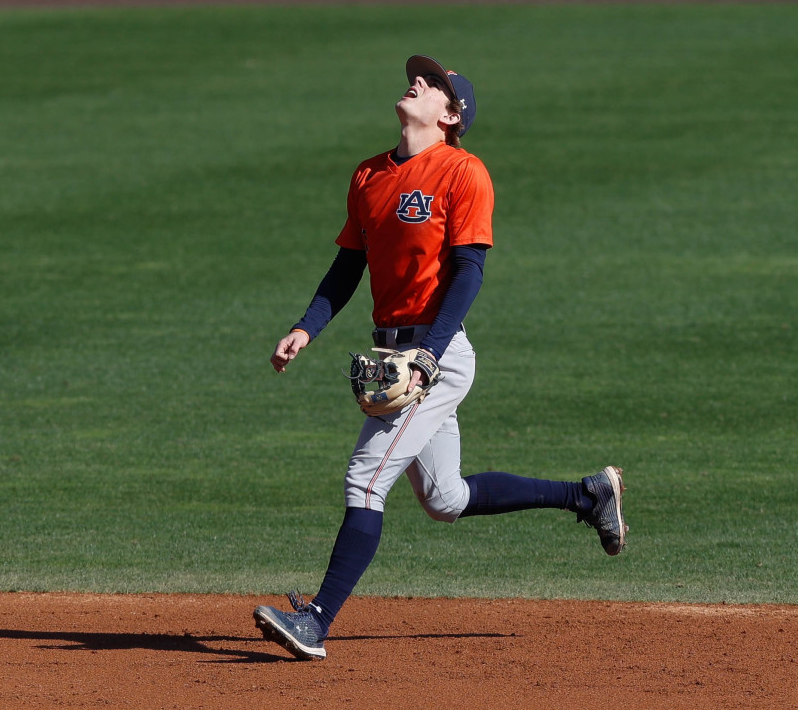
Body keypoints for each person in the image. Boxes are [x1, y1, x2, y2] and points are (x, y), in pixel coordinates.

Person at [252, 55, 627, 661]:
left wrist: (430, 351)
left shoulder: (463, 172)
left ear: (452, 115)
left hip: (437, 353)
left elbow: (470, 273)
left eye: (435, 84)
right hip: (392, 349)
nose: (418, 81)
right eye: (418, 76)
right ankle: (586, 496)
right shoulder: (369, 175)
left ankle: (317, 622)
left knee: (363, 479)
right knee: (444, 499)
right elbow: (349, 265)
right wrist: (307, 326)